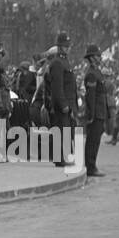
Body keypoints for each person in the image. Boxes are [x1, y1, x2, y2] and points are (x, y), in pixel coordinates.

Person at [44, 32, 78, 167]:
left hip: (68, 103)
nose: (68, 48)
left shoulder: (64, 62)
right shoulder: (57, 63)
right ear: (59, 47)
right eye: (65, 46)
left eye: (68, 46)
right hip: (62, 104)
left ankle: (63, 157)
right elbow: (57, 87)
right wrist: (63, 104)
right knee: (61, 130)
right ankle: (59, 159)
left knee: (66, 131)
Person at [81, 43, 109, 176]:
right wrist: (91, 114)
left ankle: (92, 164)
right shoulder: (91, 74)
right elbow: (90, 96)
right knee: (92, 140)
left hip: (100, 110)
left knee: (95, 140)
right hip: (95, 112)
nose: (100, 57)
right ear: (91, 58)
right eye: (97, 55)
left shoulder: (96, 71)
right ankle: (90, 166)